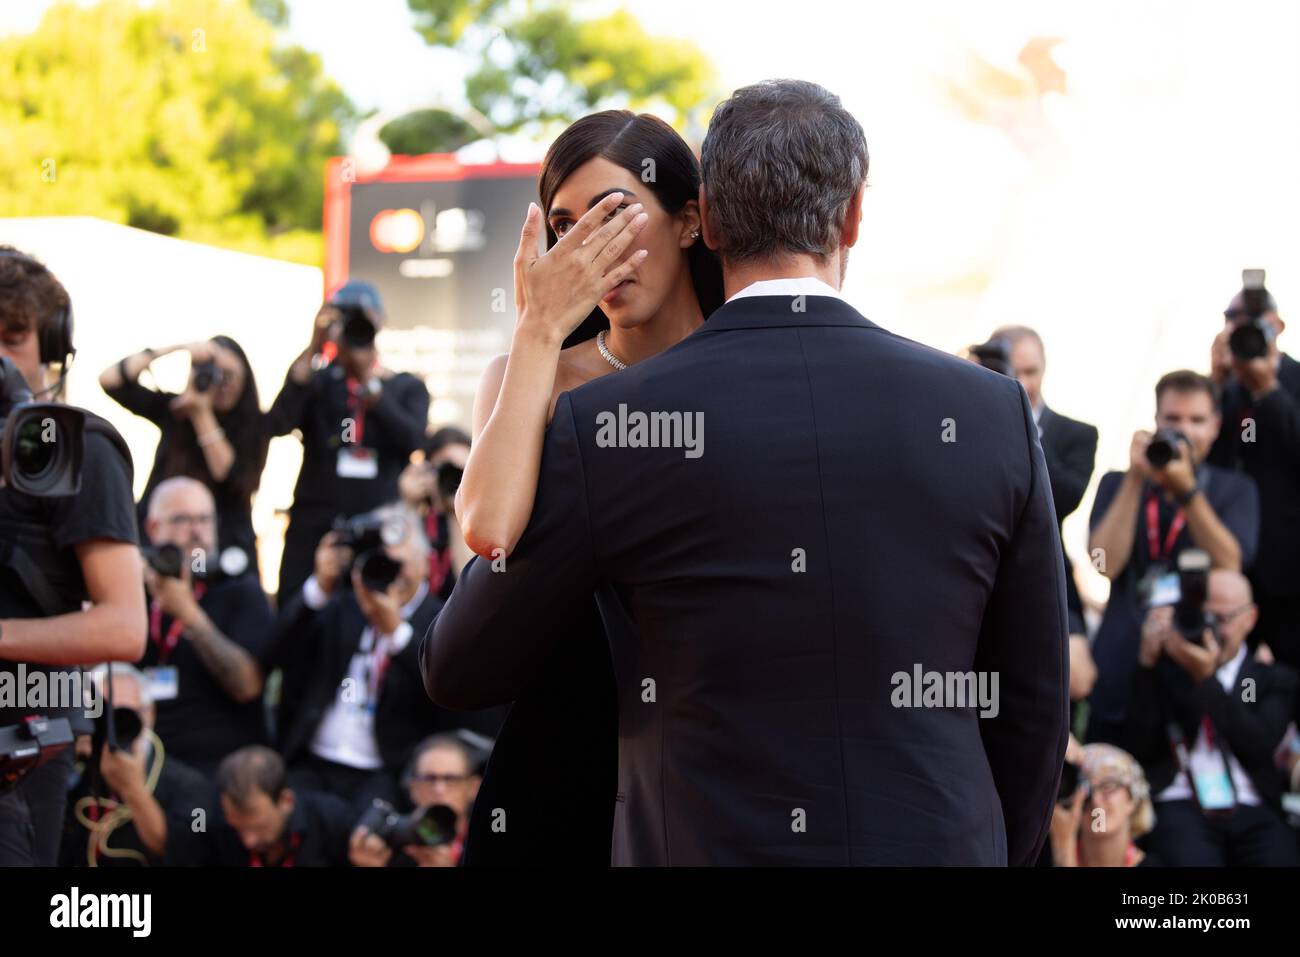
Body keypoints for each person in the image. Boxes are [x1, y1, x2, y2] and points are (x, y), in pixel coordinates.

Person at [424, 79, 1069, 866]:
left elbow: (462, 662)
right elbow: (1033, 702)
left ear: (709, 221)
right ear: (855, 215)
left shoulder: (611, 423)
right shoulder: (991, 411)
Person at [447, 109, 724, 866]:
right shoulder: (531, 375)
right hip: (559, 750)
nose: (591, 248)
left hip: (714, 760)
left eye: (615, 214)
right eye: (568, 225)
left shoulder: (744, 370)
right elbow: (488, 527)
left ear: (690, 220)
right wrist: (538, 328)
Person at [0, 245, 146, 866]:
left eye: (12, 336)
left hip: (18, 745)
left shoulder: (73, 445)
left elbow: (123, 626)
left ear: (51, 347)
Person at [263, 504, 501, 811]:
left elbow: (456, 696)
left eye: (396, 565)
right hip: (313, 763)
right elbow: (275, 656)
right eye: (378, 565)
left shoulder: (444, 620)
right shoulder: (344, 608)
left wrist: (396, 634)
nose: (386, 578)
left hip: (387, 774)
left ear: (425, 564)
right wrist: (319, 588)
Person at [1086, 370, 1260, 745]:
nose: (1185, 431)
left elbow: (1231, 565)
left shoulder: (1235, 489)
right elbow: (1103, 564)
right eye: (1173, 419)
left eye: (1196, 420)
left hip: (1191, 668)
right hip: (1122, 664)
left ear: (1215, 427)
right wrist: (1136, 479)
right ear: (1156, 422)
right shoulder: (1119, 483)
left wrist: (1187, 493)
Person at [267, 280, 430, 607]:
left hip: (377, 528)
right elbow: (278, 423)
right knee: (298, 612)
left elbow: (412, 439)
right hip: (314, 527)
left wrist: (368, 384)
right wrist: (315, 345)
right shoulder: (319, 383)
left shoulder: (403, 386)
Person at [1123, 570, 1298, 866]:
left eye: (1223, 618)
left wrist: (1206, 680)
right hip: (1182, 801)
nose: (1212, 628)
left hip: (1252, 804)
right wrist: (1147, 664)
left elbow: (1256, 743)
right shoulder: (1170, 667)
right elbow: (1140, 744)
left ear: (1250, 619)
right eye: (1203, 615)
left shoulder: (1264, 680)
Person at [138, 477, 272, 777]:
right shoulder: (135, 593)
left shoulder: (241, 589)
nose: (196, 531)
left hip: (219, 768)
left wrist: (188, 614)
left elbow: (247, 685)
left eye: (204, 519)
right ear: (153, 529)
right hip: (144, 759)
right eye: (182, 520)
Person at [99, 336, 267, 570]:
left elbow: (228, 475)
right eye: (215, 375)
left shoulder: (254, 426)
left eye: (229, 375)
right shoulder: (176, 412)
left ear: (245, 378)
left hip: (221, 553)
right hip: (164, 545)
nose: (222, 384)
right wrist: (176, 348)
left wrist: (201, 413)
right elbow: (111, 380)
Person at [1208, 286, 1300, 668]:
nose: (1241, 327)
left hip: (1291, 579)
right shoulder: (1224, 391)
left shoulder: (1293, 382)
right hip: (1231, 575)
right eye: (1232, 318)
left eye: (1252, 319)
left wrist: (1269, 391)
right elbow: (1205, 462)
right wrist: (1214, 385)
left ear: (1277, 325)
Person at [60, 664, 212, 867]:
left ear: (149, 714)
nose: (114, 729)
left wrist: (133, 790)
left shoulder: (191, 788)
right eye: (105, 716)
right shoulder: (75, 775)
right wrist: (70, 754)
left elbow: (191, 851)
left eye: (126, 715)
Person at [184, 745, 354, 867]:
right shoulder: (211, 823)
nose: (249, 841)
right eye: (238, 828)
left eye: (260, 828)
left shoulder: (332, 821)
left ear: (286, 801)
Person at [348, 733, 481, 868]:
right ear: (412, 788)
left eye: (451, 779)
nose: (439, 789)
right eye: (429, 779)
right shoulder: (392, 843)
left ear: (473, 787)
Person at [1050, 742, 1159, 867]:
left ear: (1132, 799)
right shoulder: (1041, 855)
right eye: (1086, 789)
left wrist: (1065, 854)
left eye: (1108, 786)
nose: (1095, 799)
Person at [398, 426, 473, 600]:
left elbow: (469, 588)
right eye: (447, 470)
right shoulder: (419, 518)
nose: (457, 480)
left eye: (464, 471)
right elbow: (402, 584)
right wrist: (407, 504)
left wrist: (455, 510)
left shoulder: (483, 520)